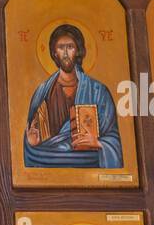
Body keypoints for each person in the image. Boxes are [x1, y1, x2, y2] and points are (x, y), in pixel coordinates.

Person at [23, 23, 122, 168]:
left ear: (78, 51)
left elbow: (114, 139)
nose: (65, 53)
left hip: (87, 164)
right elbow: (31, 136)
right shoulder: (42, 92)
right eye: (60, 47)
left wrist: (98, 143)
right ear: (54, 53)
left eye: (70, 47)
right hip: (46, 161)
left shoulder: (98, 91)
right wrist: (31, 142)